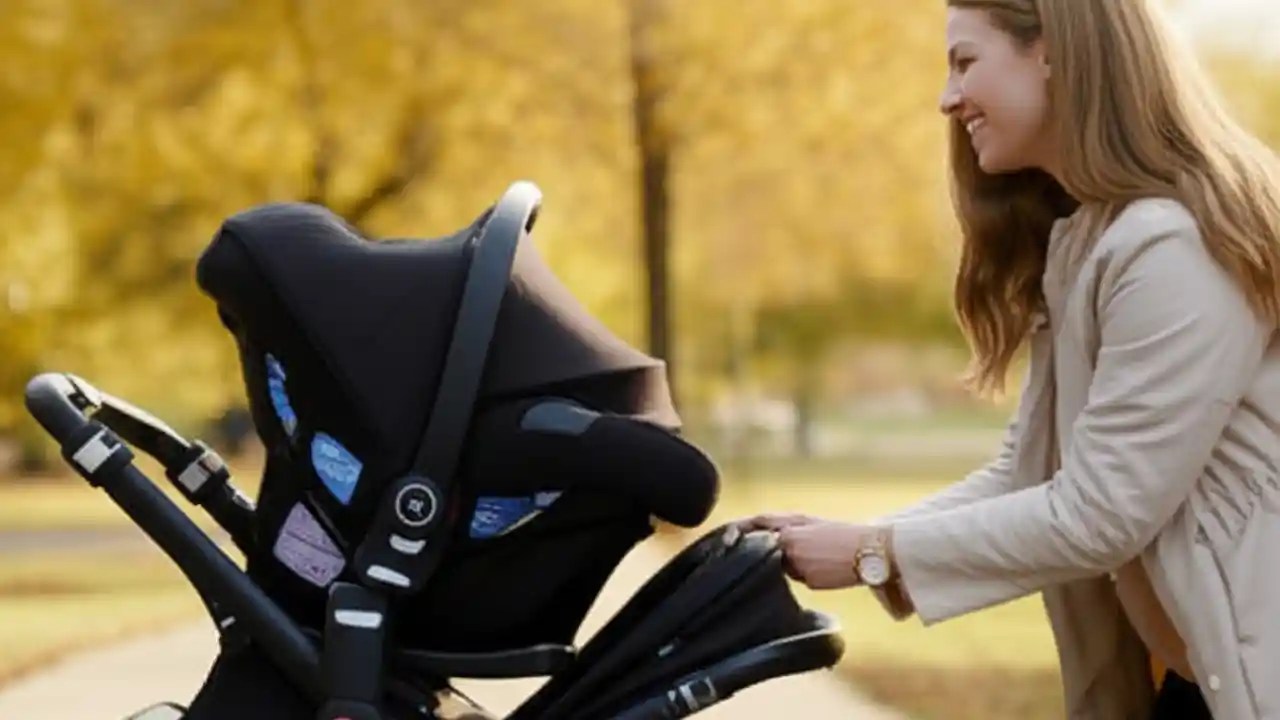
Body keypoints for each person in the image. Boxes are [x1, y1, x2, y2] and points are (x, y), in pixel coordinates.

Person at [739, 1, 1280, 718]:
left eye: (965, 62)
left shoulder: (1173, 245)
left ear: (1052, 52)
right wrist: (850, 541)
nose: (947, 99)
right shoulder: (1092, 239)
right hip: (1196, 684)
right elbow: (1029, 475)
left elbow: (1100, 512)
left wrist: (876, 551)